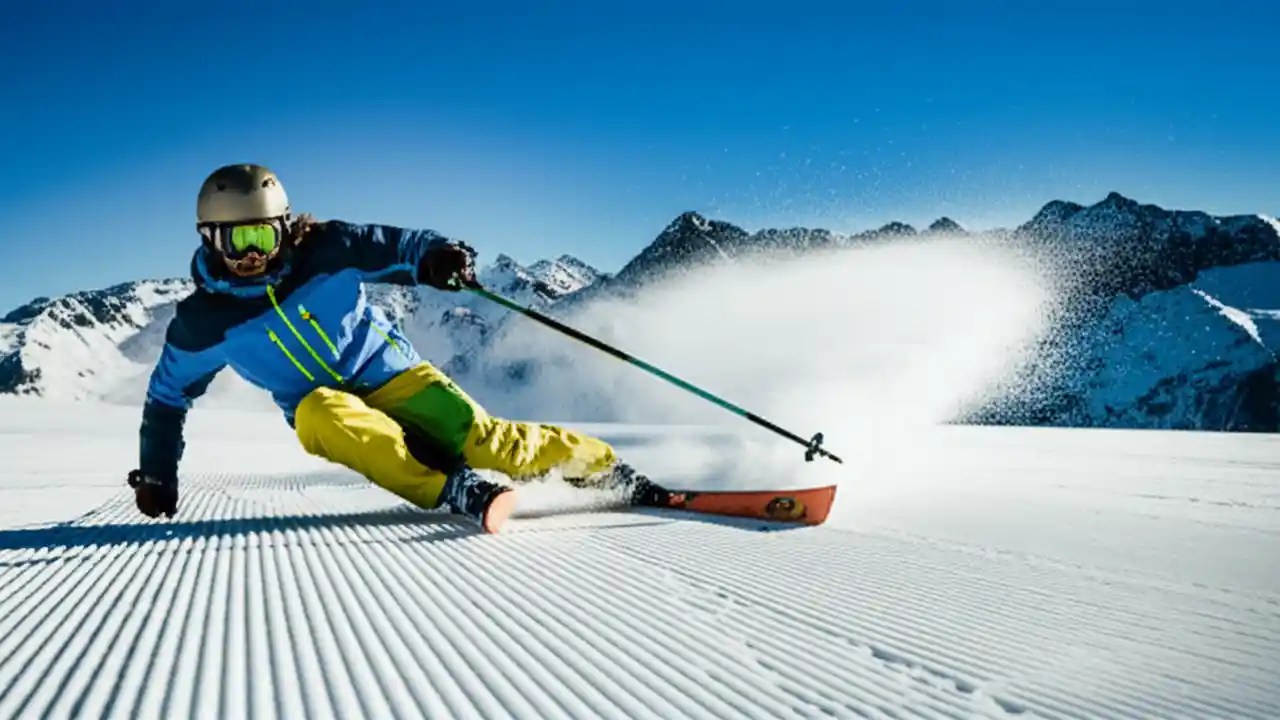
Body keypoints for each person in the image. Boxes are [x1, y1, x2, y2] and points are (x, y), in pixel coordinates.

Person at [127, 163, 666, 532]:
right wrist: (157, 472)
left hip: (392, 373)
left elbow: (399, 246)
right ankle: (452, 489)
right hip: (322, 401)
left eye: (262, 237)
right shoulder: (204, 324)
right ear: (208, 237)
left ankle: (607, 470)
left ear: (284, 228)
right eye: (235, 241)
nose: (250, 256)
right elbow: (166, 399)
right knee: (321, 416)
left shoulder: (326, 249)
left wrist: (437, 258)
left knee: (485, 441)